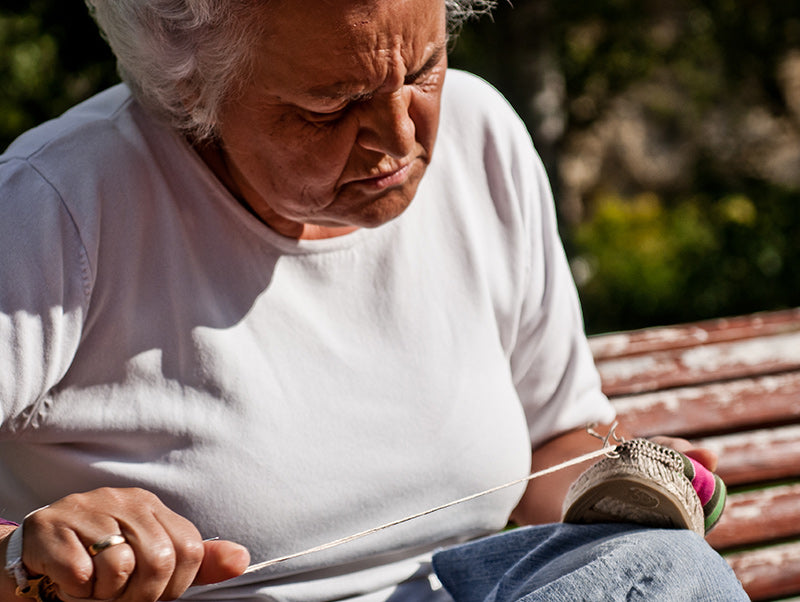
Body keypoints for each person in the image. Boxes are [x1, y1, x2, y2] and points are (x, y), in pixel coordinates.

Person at [0, 0, 748, 600]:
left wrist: (629, 487)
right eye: (330, 108)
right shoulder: (57, 206)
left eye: (424, 71)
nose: (398, 137)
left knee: (668, 573)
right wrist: (20, 555)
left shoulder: (482, 137)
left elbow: (556, 436)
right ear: (190, 86)